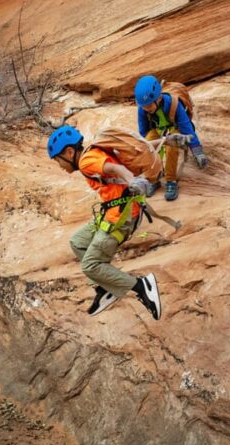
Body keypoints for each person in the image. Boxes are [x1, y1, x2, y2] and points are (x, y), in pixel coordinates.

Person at [48, 125, 162, 320]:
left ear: (68, 152)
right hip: (113, 211)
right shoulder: (94, 151)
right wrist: (164, 141)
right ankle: (104, 289)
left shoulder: (86, 161)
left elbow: (115, 167)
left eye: (58, 160)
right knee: (78, 242)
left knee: (90, 266)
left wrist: (132, 180)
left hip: (121, 218)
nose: (60, 165)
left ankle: (141, 286)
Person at [135, 75, 209, 201]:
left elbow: (186, 128)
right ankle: (154, 178)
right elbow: (144, 131)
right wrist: (151, 146)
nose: (146, 109)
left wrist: (197, 151)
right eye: (143, 106)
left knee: (172, 147)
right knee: (149, 145)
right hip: (158, 130)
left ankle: (171, 181)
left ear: (158, 98)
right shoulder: (143, 109)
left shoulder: (174, 104)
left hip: (175, 128)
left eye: (148, 106)